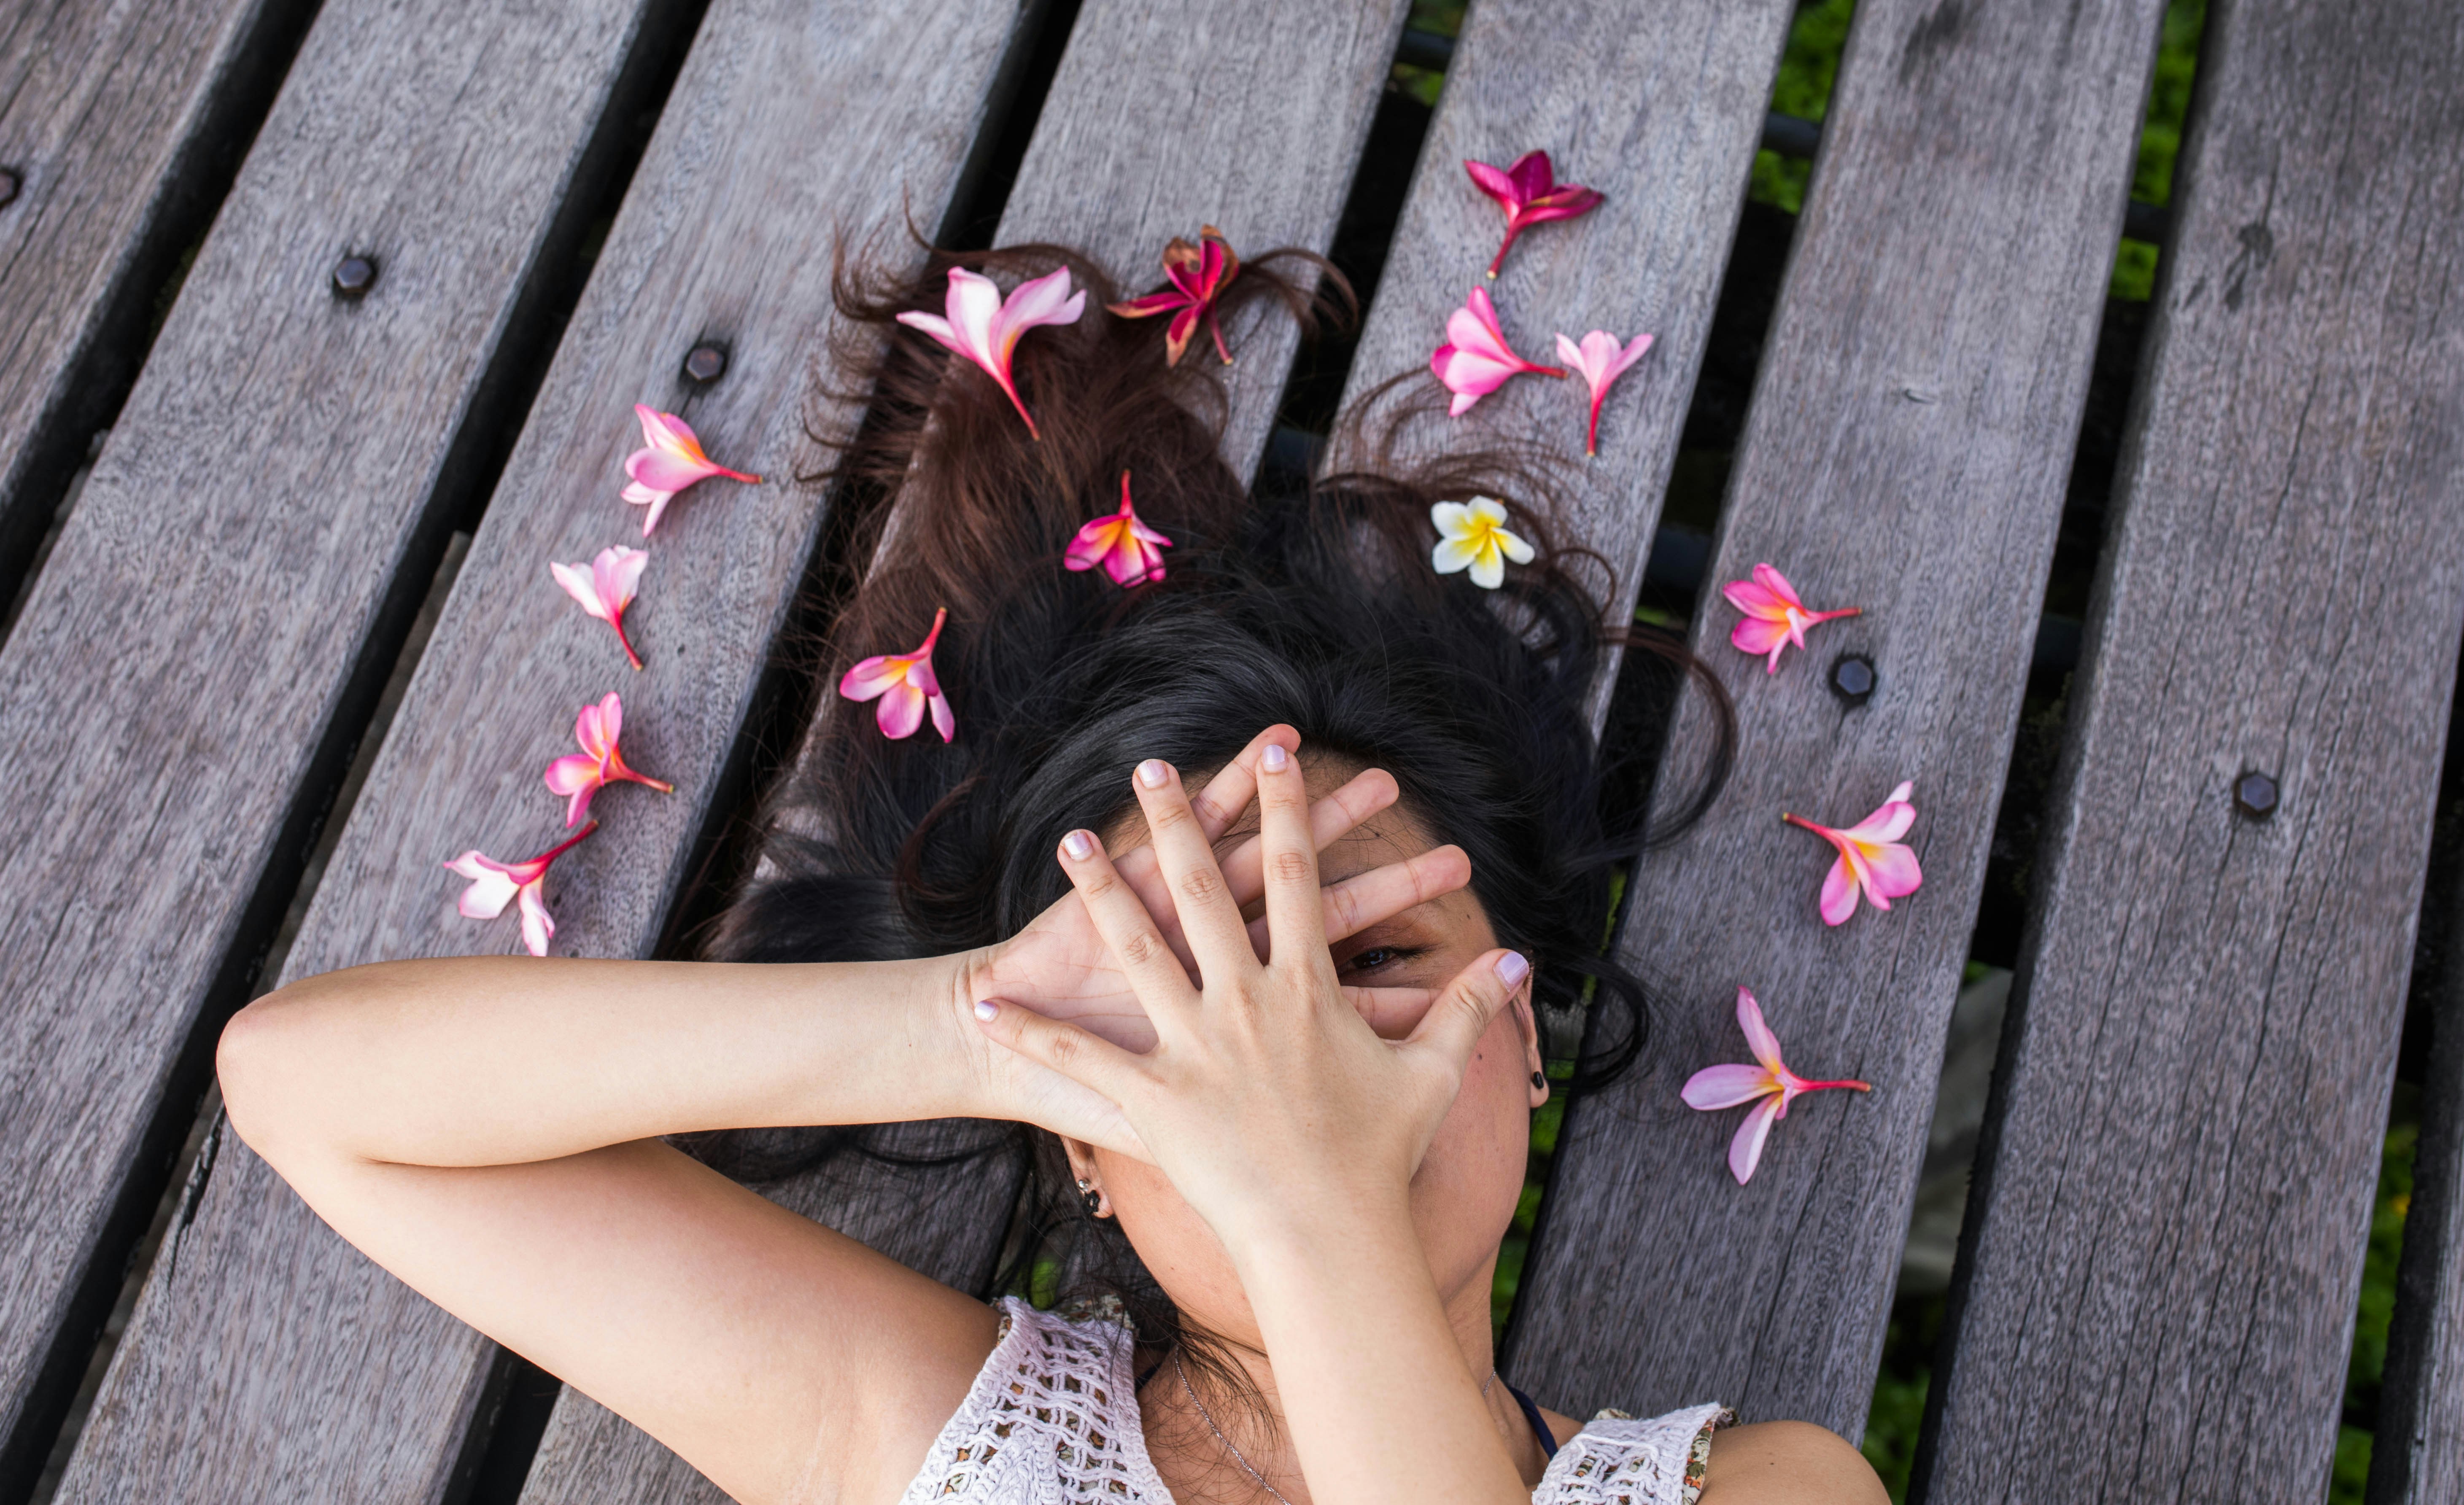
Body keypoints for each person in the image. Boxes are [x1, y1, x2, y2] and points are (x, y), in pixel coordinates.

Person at [216, 241, 1888, 1505]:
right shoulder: (944, 1426)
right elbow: (307, 1086)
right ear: (1081, 1137)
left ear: (1521, 1031)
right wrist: (978, 1012)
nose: (1288, 1061)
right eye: (1186, 995)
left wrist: (1309, 1207)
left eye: (1368, 958)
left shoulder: (1762, 1486)